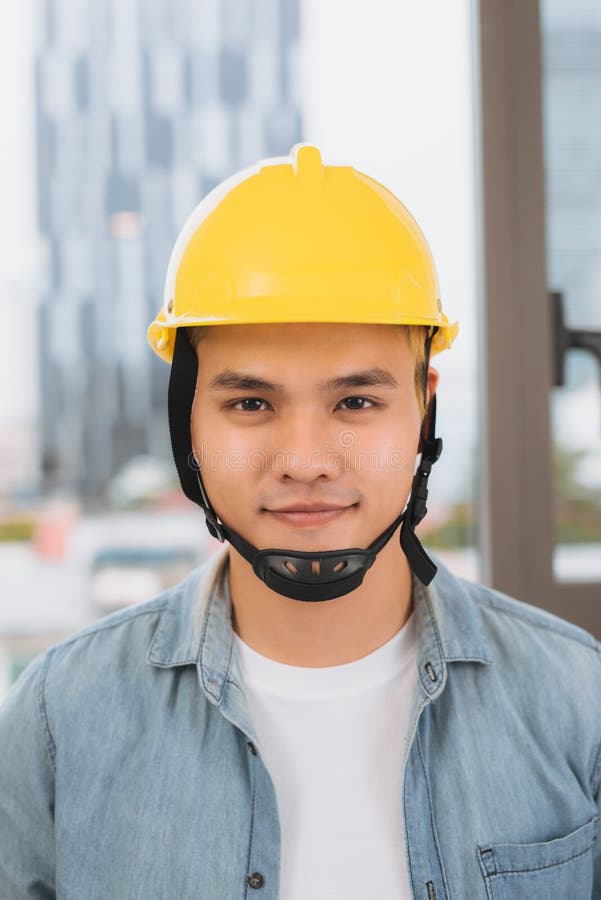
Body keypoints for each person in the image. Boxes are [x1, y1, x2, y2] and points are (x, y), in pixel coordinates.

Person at [1, 143, 599, 900]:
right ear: (186, 419)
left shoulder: (578, 699)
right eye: (250, 404)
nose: (306, 460)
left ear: (424, 408)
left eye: (355, 402)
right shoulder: (61, 717)